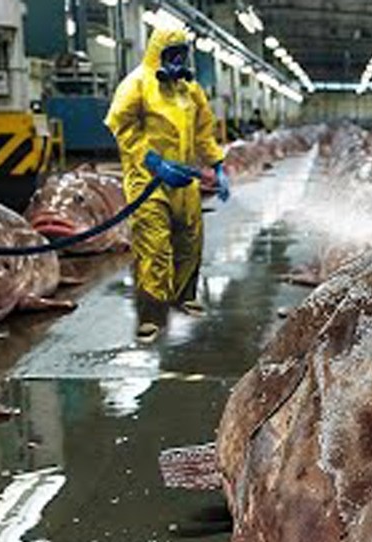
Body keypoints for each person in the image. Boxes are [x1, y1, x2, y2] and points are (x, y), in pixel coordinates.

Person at [104, 26, 230, 343]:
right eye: (171, 55)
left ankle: (184, 296)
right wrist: (153, 162)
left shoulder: (190, 90)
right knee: (154, 245)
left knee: (190, 239)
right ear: (157, 53)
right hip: (148, 179)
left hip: (184, 178)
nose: (176, 62)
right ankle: (151, 314)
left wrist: (217, 164)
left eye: (181, 55)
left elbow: (204, 132)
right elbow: (121, 126)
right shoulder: (136, 84)